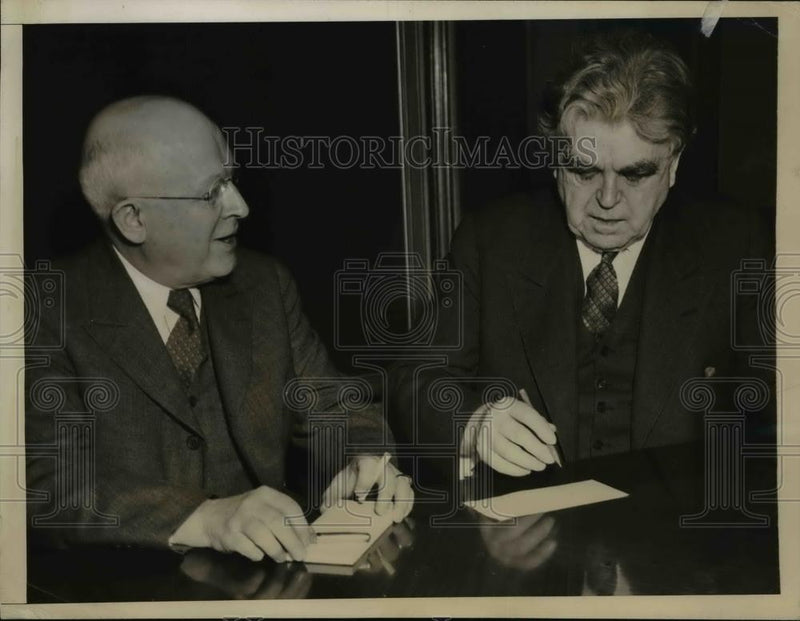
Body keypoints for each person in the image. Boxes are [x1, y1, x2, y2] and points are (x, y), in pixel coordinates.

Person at [25, 96, 413, 562]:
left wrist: (365, 459)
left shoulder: (263, 285)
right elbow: (43, 486)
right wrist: (206, 518)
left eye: (231, 179)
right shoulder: (39, 312)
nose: (241, 206)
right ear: (134, 219)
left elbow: (334, 406)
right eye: (212, 192)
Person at [391, 31, 774, 477]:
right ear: (554, 160)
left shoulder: (734, 246)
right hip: (530, 531)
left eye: (636, 174)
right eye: (584, 170)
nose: (608, 199)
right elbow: (415, 381)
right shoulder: (491, 240)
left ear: (674, 164)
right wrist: (473, 424)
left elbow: (776, 415)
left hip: (676, 531)